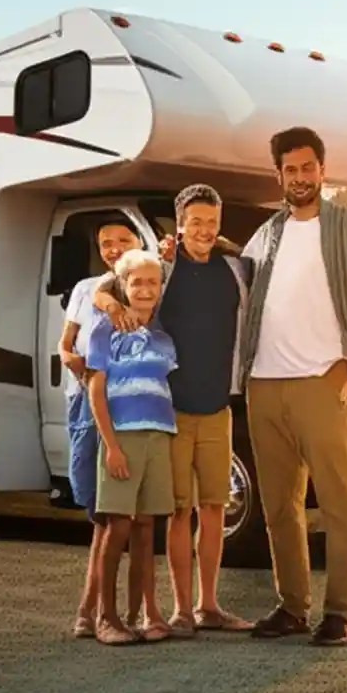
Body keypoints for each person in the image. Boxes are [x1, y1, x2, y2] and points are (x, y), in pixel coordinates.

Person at [237, 126, 347, 646]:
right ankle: (291, 606)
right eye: (290, 170)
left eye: (309, 168)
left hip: (320, 384)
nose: (300, 177)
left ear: (322, 171)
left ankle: (341, 611)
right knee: (280, 506)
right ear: (279, 175)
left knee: (339, 503)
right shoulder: (266, 234)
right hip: (264, 383)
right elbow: (236, 285)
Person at [92, 184, 254, 638]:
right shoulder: (162, 266)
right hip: (173, 413)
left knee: (216, 508)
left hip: (218, 408)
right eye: (195, 221)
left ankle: (209, 605)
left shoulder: (233, 269)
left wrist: (220, 243)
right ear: (179, 225)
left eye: (212, 221)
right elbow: (109, 285)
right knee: (180, 512)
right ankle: (181, 609)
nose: (204, 229)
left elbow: (252, 263)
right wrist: (107, 302)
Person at [61, 220, 164, 641]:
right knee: (101, 512)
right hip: (87, 402)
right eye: (105, 242)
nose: (114, 247)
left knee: (116, 518)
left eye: (123, 240)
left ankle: (95, 613)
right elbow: (66, 343)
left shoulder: (145, 295)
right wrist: (73, 361)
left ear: (139, 244)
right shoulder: (89, 289)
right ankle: (96, 613)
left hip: (133, 414)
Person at [82, 248, 180, 645]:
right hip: (122, 437)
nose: (144, 289)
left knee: (145, 527)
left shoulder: (163, 337)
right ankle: (105, 618)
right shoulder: (105, 330)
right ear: (122, 285)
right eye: (136, 282)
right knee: (117, 526)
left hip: (159, 436)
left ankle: (142, 614)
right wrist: (112, 446)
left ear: (160, 289)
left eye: (152, 282)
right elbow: (95, 389)